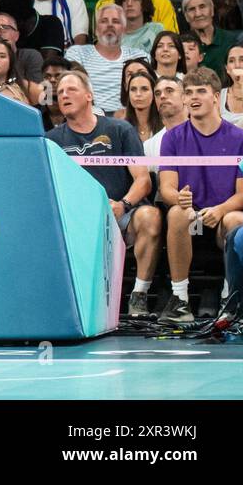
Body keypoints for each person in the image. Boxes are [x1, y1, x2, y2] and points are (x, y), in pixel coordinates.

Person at [47, 70, 161, 318]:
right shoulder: (52, 140)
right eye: (60, 92)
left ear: (89, 95)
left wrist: (123, 204)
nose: (64, 95)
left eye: (71, 90)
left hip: (120, 213)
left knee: (150, 216)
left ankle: (139, 296)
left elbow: (143, 180)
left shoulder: (120, 129)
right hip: (78, 219)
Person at [158, 68, 243, 324]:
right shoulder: (172, 138)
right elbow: (166, 189)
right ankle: (180, 301)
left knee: (236, 221)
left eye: (201, 91)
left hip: (222, 217)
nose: (193, 97)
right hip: (191, 218)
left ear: (216, 97)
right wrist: (178, 198)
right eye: (188, 92)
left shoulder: (241, 138)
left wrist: (219, 210)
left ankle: (229, 298)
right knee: (177, 212)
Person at [65, 5, 149, 114]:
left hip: (129, 117)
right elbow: (72, 90)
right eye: (104, 21)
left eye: (115, 21)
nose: (109, 25)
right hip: (89, 116)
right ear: (96, 29)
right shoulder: (77, 53)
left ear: (124, 30)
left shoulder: (138, 56)